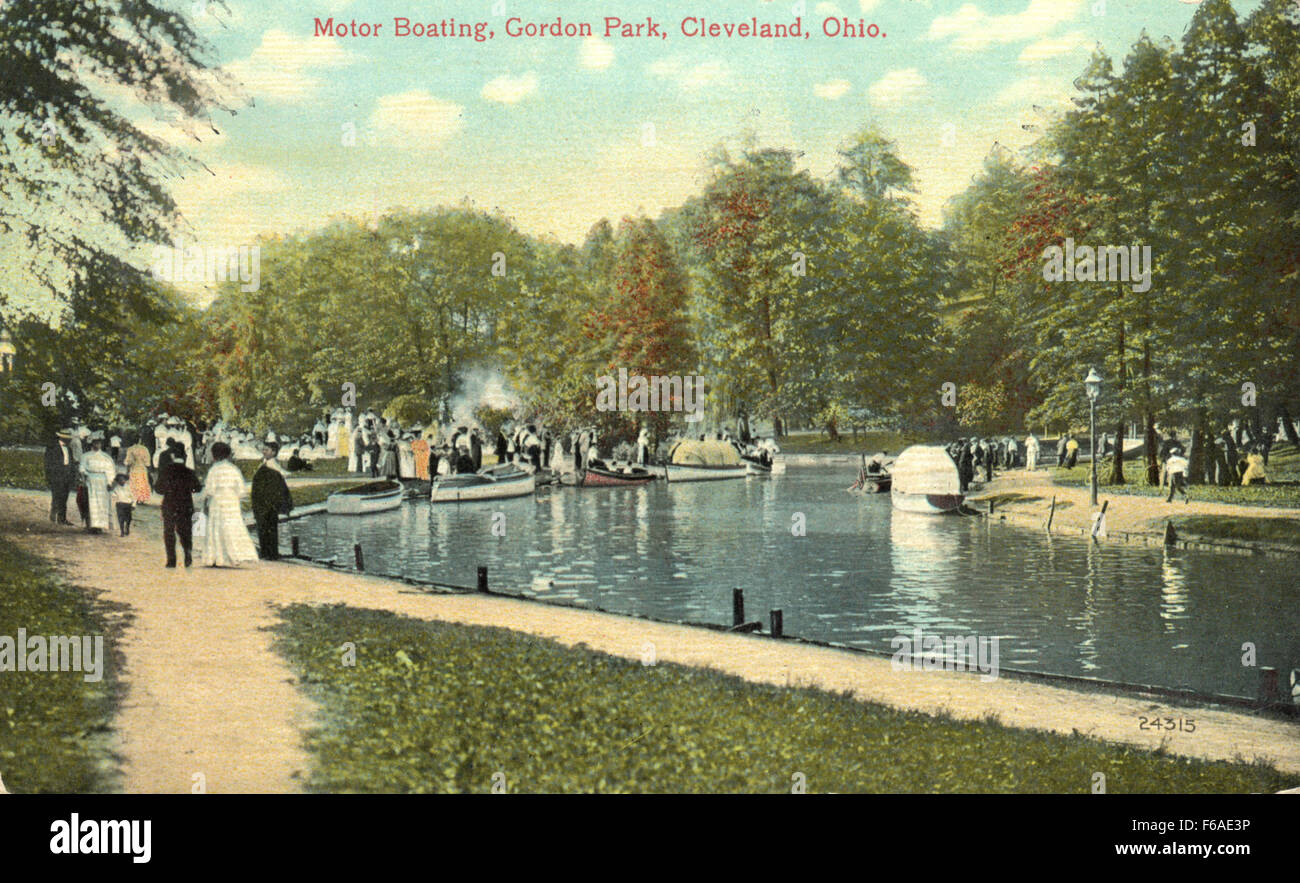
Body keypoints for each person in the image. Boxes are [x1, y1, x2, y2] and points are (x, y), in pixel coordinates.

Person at [202, 442, 259, 567]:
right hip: (231, 500)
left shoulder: (214, 470)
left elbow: (209, 490)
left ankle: (217, 557)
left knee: (217, 528)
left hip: (218, 500)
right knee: (233, 526)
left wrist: (206, 503)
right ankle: (237, 556)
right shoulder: (234, 469)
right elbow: (241, 490)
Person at [156, 440, 201, 567]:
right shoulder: (189, 472)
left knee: (169, 530)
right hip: (185, 504)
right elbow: (197, 488)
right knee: (186, 530)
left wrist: (168, 489)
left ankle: (171, 560)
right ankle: (187, 554)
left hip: (169, 503)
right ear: (185, 456)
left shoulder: (166, 470)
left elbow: (158, 488)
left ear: (173, 456)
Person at [251, 442, 293, 561]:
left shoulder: (273, 466)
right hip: (263, 500)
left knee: (268, 527)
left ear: (274, 452)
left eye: (267, 450)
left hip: (268, 500)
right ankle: (268, 552)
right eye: (263, 449)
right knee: (266, 527)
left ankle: (269, 552)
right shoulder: (265, 464)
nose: (264, 451)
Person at [80, 435, 116, 534]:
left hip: (102, 482)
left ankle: (100, 526)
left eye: (99, 443)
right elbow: (82, 468)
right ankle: (90, 525)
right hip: (91, 480)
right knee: (91, 503)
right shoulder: (86, 456)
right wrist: (84, 478)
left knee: (101, 504)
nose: (97, 445)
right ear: (92, 443)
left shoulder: (105, 457)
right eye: (95, 443)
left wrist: (110, 482)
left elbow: (110, 471)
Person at [44, 429, 77, 525]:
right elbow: (48, 464)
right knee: (56, 496)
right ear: (62, 438)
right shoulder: (52, 448)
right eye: (68, 438)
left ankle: (62, 518)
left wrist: (72, 475)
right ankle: (53, 515)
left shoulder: (69, 449)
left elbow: (71, 463)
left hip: (67, 475)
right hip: (57, 476)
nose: (69, 440)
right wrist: (49, 477)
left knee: (64, 497)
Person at [111, 472, 134, 537]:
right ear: (118, 481)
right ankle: (122, 531)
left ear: (125, 480)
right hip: (120, 504)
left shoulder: (129, 488)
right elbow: (113, 496)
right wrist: (115, 500)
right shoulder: (116, 488)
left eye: (123, 479)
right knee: (121, 518)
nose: (122, 481)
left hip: (128, 504)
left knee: (129, 518)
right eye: (120, 480)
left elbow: (133, 496)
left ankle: (127, 527)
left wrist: (133, 505)